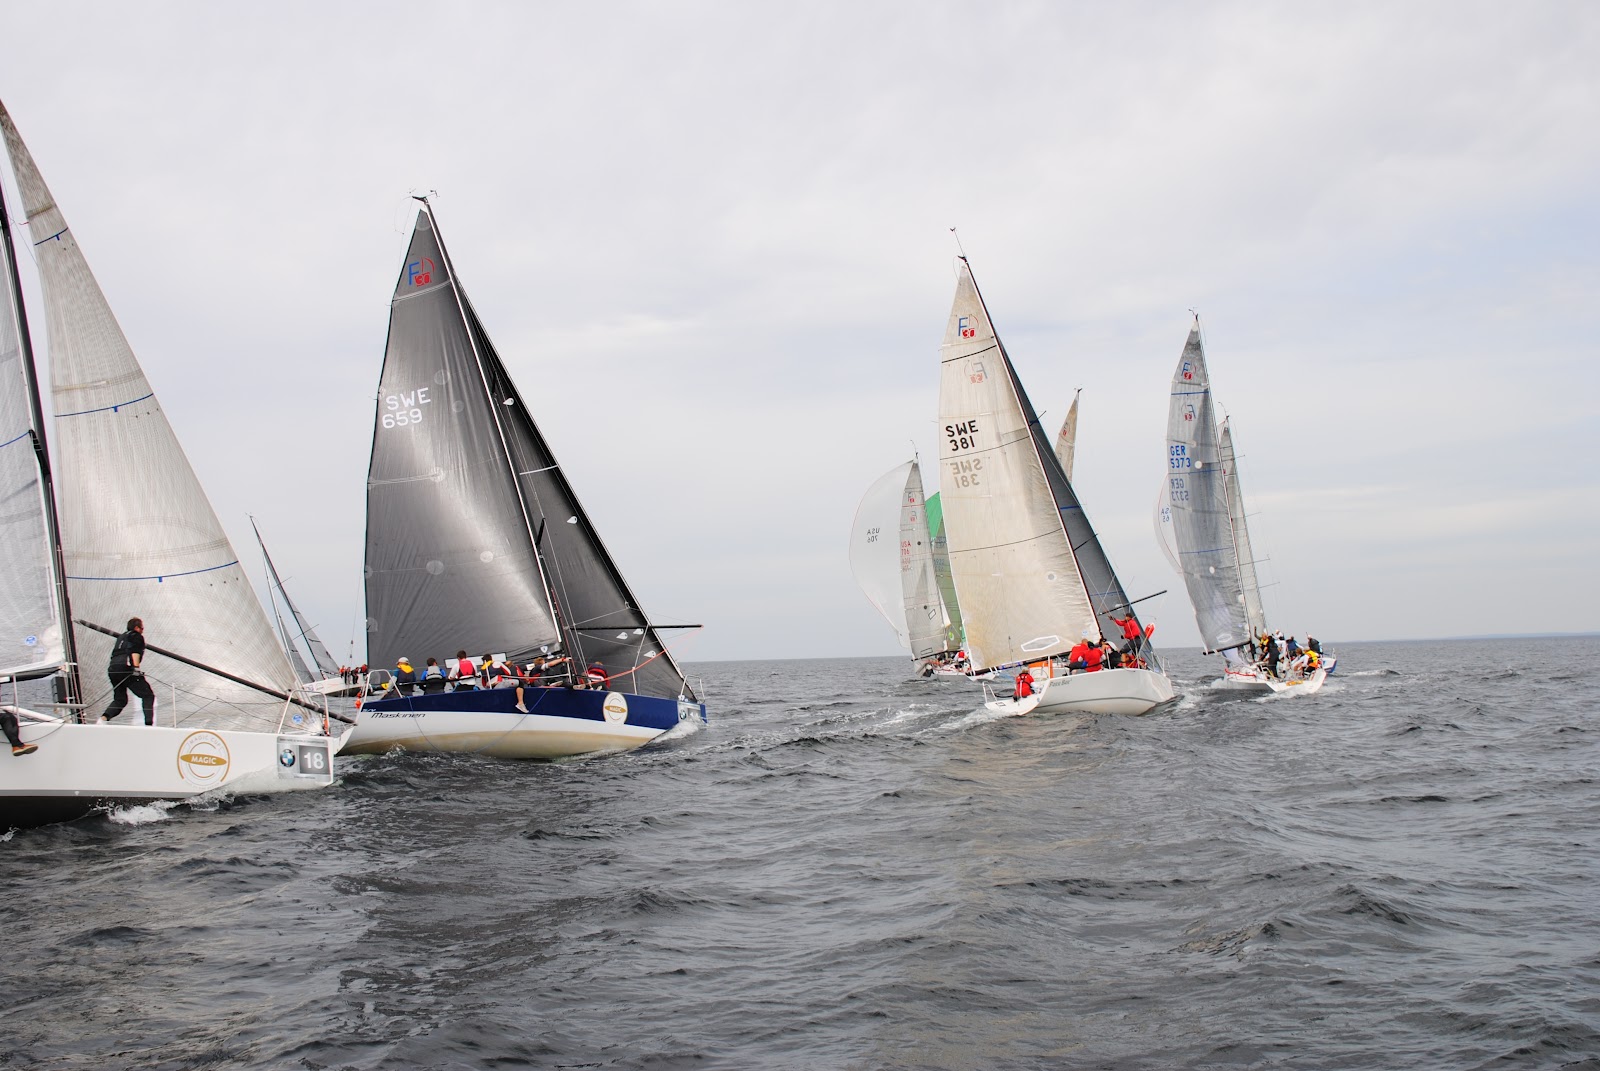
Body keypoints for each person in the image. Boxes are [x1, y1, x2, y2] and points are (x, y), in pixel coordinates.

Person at [101, 616, 156, 725]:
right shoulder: (136, 636)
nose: (142, 631)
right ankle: (149, 725)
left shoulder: (121, 637)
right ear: (136, 628)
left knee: (120, 700)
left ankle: (102, 719)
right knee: (148, 695)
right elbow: (135, 651)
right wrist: (136, 669)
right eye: (142, 628)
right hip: (125, 669)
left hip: (113, 670)